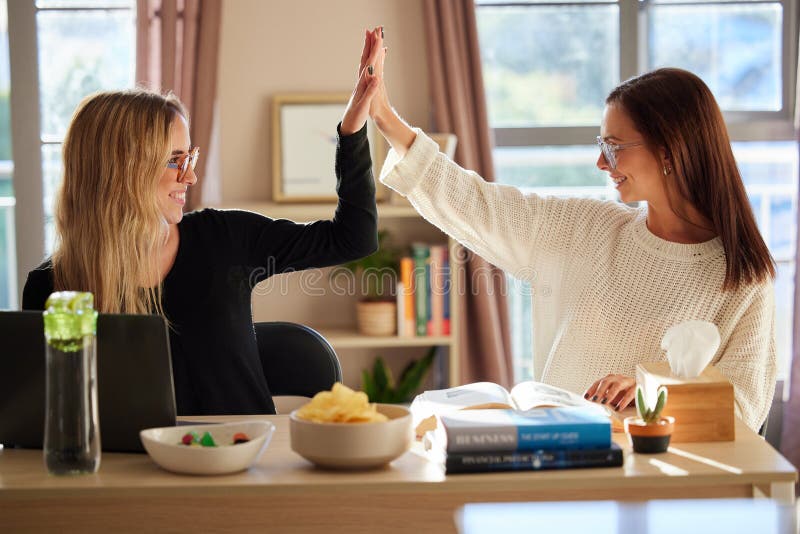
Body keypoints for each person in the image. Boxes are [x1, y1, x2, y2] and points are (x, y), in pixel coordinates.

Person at [363, 30, 775, 431]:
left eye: (614, 147)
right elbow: (479, 206)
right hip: (559, 459)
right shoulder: (589, 229)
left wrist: (653, 390)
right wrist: (384, 116)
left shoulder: (744, 278)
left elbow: (743, 408)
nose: (601, 162)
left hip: (661, 480)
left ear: (668, 152)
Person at [22, 28, 386, 416]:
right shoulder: (53, 290)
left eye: (189, 157)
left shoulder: (224, 238)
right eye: (174, 160)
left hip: (240, 468)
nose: (190, 177)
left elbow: (353, 239)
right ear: (121, 171)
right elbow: (42, 421)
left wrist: (351, 132)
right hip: (126, 475)